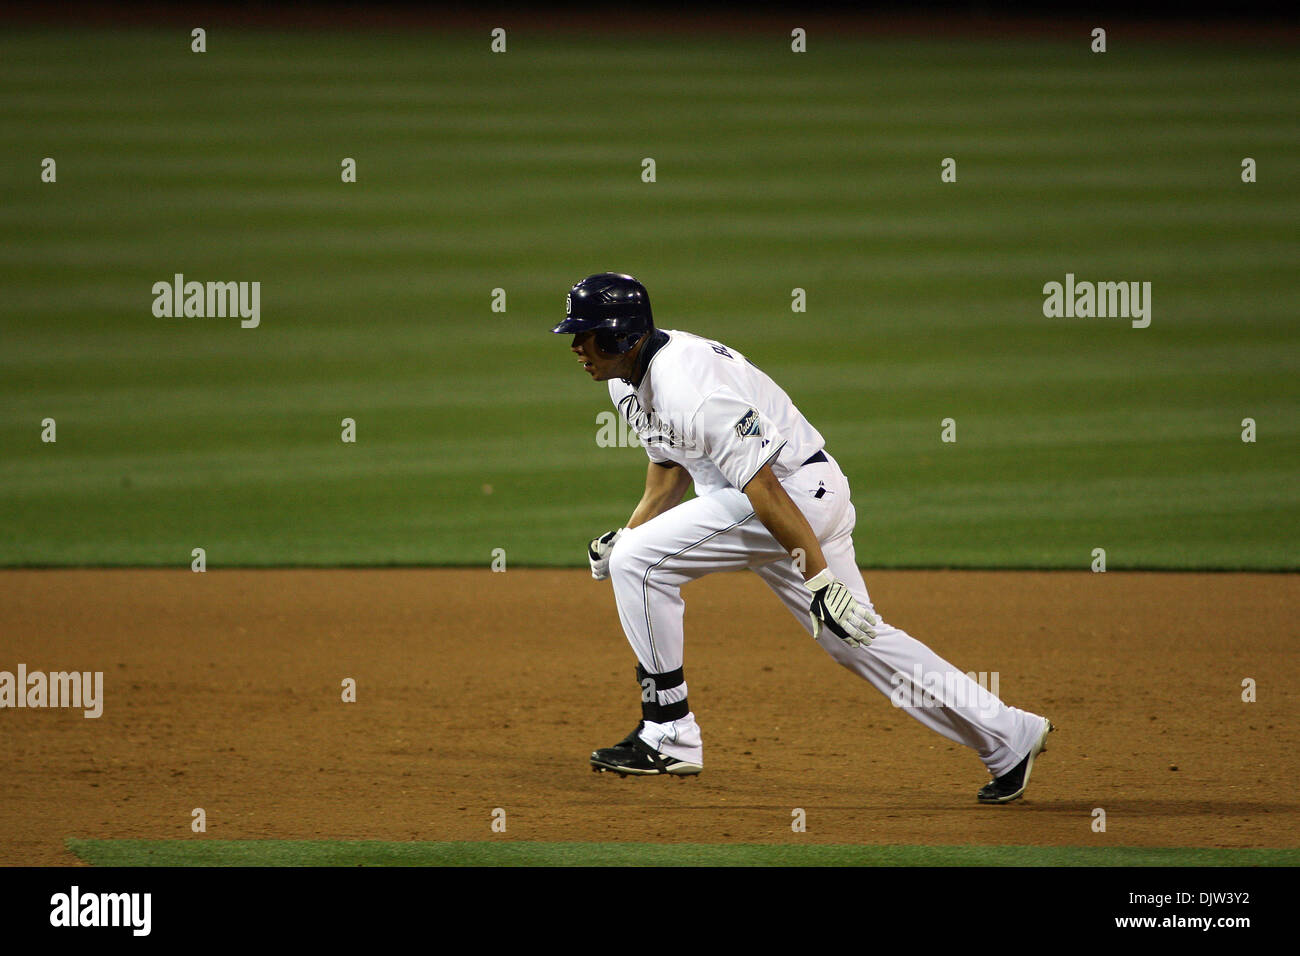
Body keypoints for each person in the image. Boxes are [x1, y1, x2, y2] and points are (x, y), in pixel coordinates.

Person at [552, 272, 1053, 803]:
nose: (577, 348)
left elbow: (764, 486)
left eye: (585, 336)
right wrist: (632, 530)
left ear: (619, 337)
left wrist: (820, 580)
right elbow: (671, 463)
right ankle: (1008, 736)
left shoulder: (690, 386)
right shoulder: (625, 379)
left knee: (640, 564)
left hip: (791, 500)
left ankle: (669, 732)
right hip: (770, 503)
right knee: (857, 642)